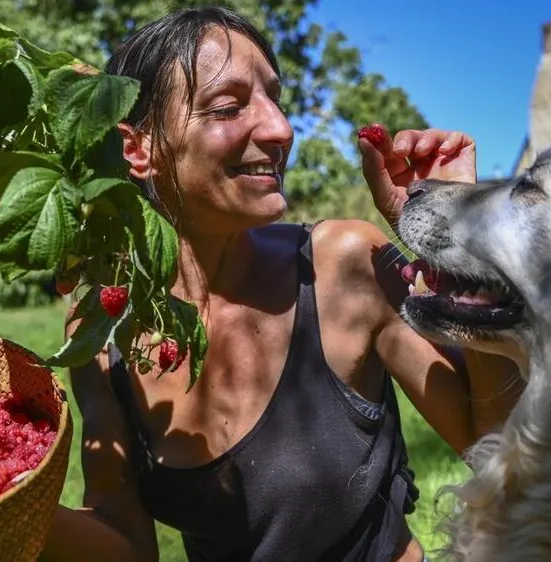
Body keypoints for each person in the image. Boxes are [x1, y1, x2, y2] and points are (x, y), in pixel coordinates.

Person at [38, 7, 524, 562]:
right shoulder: (103, 327)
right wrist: (3, 511)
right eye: (228, 106)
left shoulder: (343, 264)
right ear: (138, 148)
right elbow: (125, 544)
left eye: (275, 99)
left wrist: (459, 248)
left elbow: (497, 452)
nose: (279, 128)